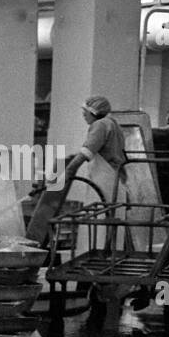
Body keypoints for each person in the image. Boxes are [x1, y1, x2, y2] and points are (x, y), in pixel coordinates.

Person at [27, 94, 128, 244]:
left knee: (99, 225)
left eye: (85, 112)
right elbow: (101, 150)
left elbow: (86, 152)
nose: (83, 115)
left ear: (94, 112)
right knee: (111, 225)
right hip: (116, 180)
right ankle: (108, 256)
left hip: (105, 182)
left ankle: (97, 257)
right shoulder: (113, 124)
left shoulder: (100, 125)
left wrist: (67, 172)